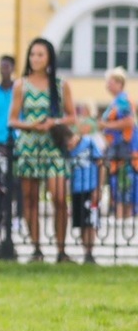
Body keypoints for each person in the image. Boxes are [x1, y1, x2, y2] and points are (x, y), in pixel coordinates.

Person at [9, 37, 73, 263]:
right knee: (30, 198)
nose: (35, 59)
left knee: (59, 197)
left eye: (40, 55)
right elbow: (13, 120)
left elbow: (72, 116)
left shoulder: (60, 85)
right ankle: (36, 248)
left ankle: (61, 250)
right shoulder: (21, 85)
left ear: (49, 59)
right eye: (32, 54)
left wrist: (53, 123)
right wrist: (32, 125)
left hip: (52, 146)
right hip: (29, 145)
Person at [69, 105, 102, 265]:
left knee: (91, 221)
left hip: (90, 187)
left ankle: (90, 251)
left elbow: (100, 164)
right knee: (81, 222)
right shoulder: (69, 149)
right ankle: (85, 250)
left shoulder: (90, 143)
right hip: (76, 189)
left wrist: (98, 187)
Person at [99, 67, 133, 219]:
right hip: (116, 149)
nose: (107, 85)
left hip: (123, 149)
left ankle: (122, 216)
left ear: (119, 83)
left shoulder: (123, 101)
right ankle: (119, 214)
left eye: (110, 82)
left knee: (122, 182)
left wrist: (106, 126)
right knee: (117, 182)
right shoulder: (116, 101)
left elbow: (129, 122)